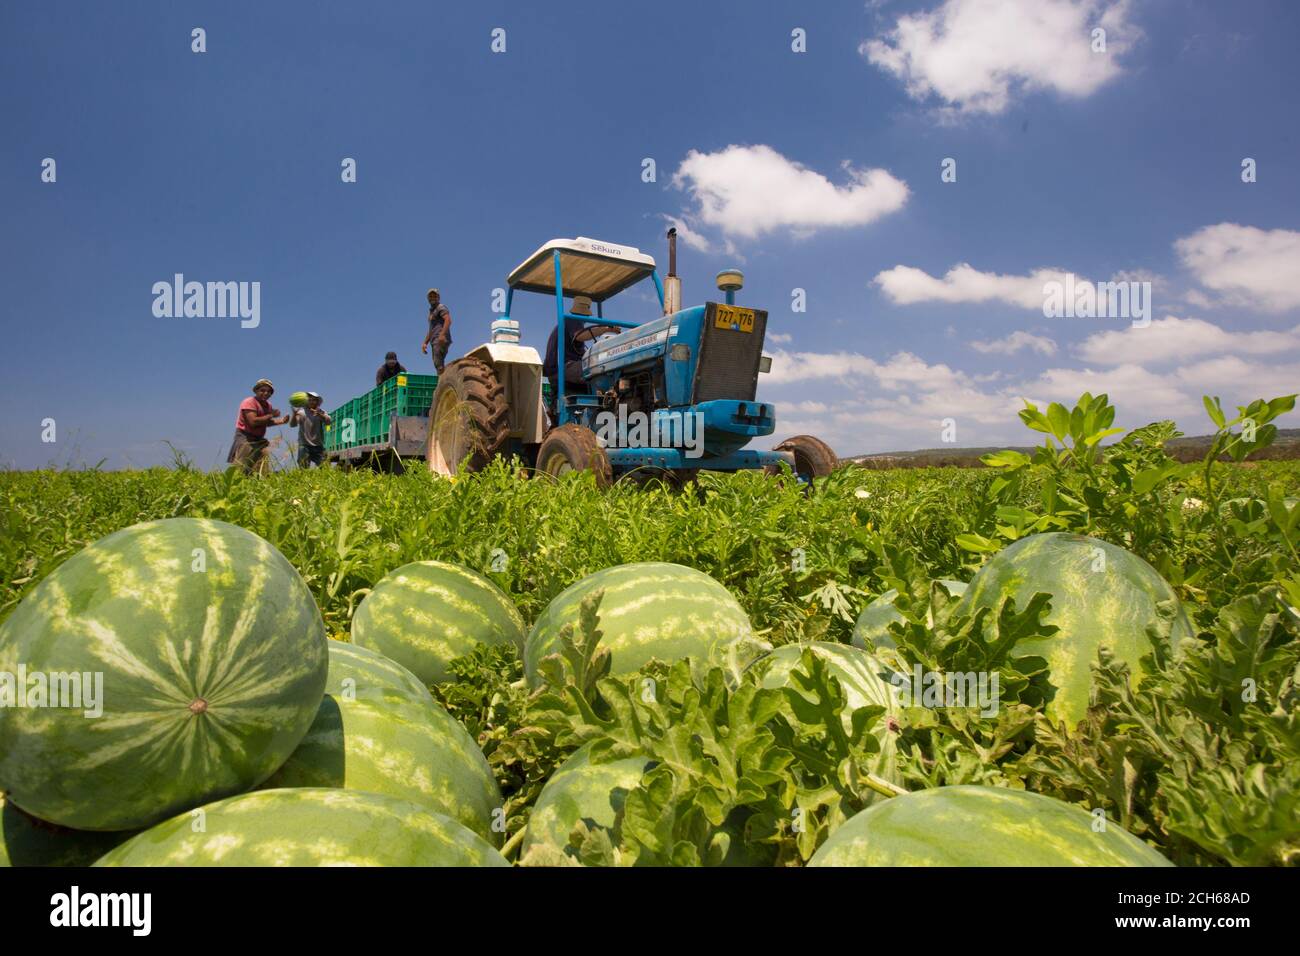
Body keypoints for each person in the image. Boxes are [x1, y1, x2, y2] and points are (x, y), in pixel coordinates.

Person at [227, 379, 289, 474]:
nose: (266, 393)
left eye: (269, 392)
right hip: (246, 438)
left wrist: (282, 421)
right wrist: (271, 415)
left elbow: (265, 422)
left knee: (259, 469)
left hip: (258, 439)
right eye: (262, 390)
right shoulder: (249, 402)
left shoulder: (268, 405)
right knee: (241, 468)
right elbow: (253, 422)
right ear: (256, 391)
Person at [543, 295, 592, 396]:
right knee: (600, 369)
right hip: (564, 369)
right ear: (586, 314)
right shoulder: (573, 320)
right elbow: (580, 336)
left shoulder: (565, 324)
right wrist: (605, 329)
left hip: (554, 371)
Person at [291, 392, 331, 468]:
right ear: (306, 401)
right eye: (310, 400)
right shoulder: (301, 413)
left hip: (318, 445)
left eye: (314, 400)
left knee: (326, 467)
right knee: (303, 468)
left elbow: (328, 422)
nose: (312, 402)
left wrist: (320, 415)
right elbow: (293, 425)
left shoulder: (321, 411)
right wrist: (294, 414)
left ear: (317, 402)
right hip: (304, 445)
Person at [421, 288, 453, 374]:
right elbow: (431, 329)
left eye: (434, 296)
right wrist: (425, 343)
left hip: (440, 339)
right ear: (428, 299)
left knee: (438, 363)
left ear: (438, 297)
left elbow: (448, 320)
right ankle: (443, 381)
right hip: (434, 340)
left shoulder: (440, 307)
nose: (432, 298)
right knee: (437, 363)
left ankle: (443, 383)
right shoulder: (431, 312)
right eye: (430, 296)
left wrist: (442, 335)